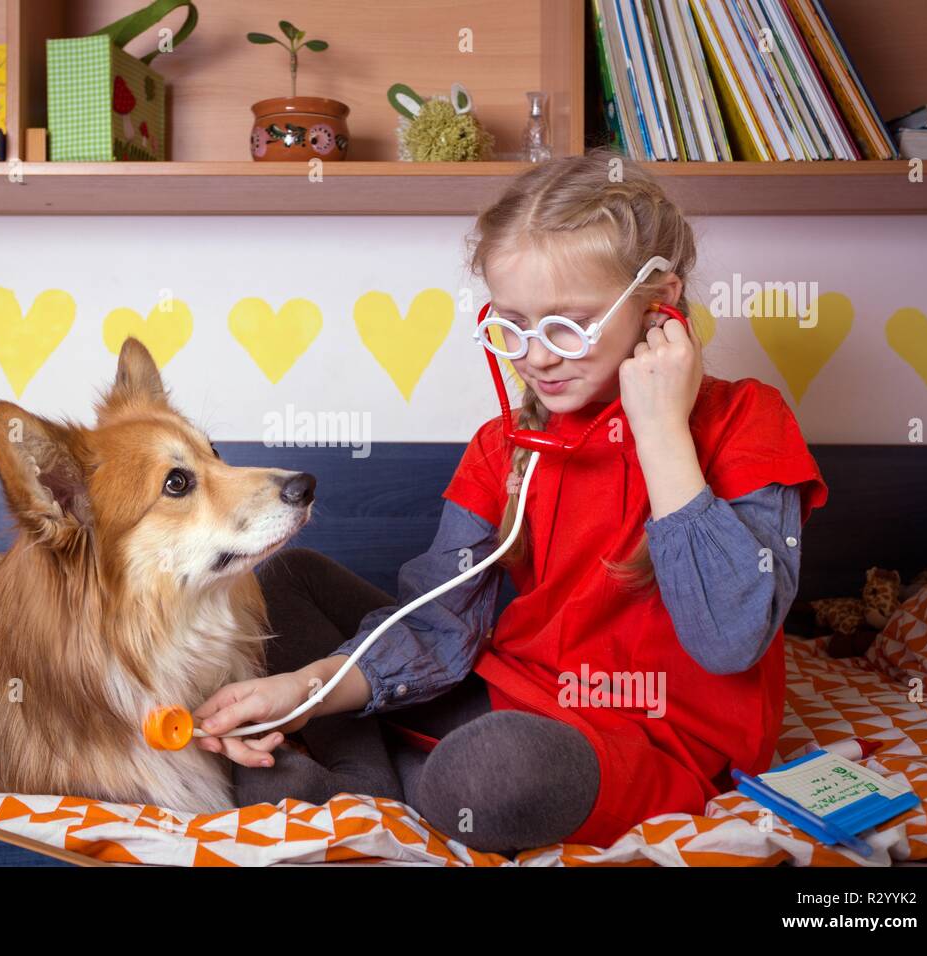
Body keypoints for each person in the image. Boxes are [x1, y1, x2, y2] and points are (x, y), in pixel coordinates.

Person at [194, 149, 829, 857]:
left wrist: (661, 434)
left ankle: (364, 779)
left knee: (494, 771)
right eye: (514, 324)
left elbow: (729, 638)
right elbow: (438, 623)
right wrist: (305, 687)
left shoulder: (750, 420)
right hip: (508, 688)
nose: (537, 356)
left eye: (569, 324)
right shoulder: (505, 446)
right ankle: (365, 780)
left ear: (660, 305)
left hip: (648, 739)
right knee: (289, 575)